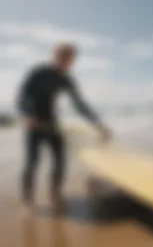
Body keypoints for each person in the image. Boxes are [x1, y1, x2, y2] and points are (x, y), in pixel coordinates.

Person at [17, 43, 111, 212]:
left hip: (52, 124)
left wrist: (98, 124)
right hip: (34, 124)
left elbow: (80, 105)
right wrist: (28, 114)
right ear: (55, 56)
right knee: (32, 163)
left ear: (73, 61)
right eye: (63, 57)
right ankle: (28, 199)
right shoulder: (39, 72)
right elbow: (23, 95)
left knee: (60, 162)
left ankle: (55, 195)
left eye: (69, 59)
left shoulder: (66, 79)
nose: (66, 62)